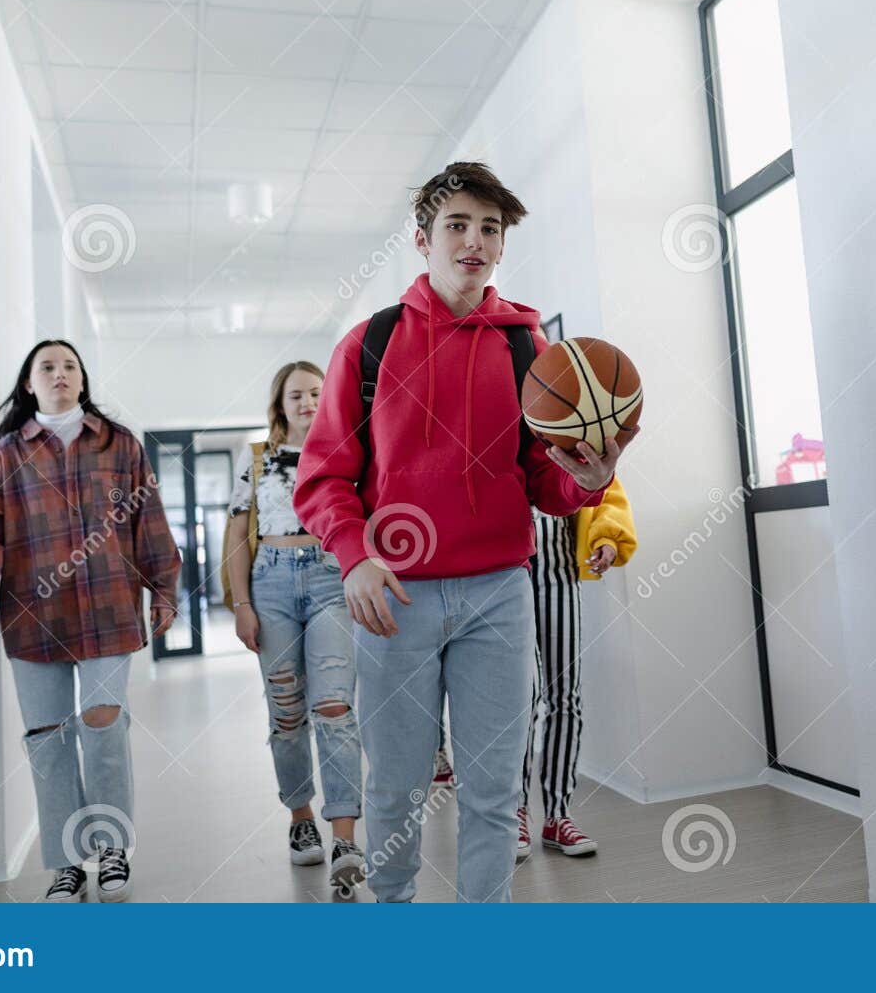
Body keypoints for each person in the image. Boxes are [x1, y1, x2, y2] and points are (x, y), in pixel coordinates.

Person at [295, 162, 630, 903]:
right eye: (457, 225)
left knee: (492, 791)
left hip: (498, 596)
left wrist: (591, 475)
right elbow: (321, 479)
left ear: (502, 245)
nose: (474, 241)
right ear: (423, 238)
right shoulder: (369, 344)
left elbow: (544, 485)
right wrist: (353, 560)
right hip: (394, 600)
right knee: (396, 790)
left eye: (490, 228)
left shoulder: (528, 350)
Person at [0, 340, 181, 903]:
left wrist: (163, 589)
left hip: (108, 606)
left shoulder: (119, 445)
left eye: (69, 366)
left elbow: (148, 520)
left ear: (82, 379)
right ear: (29, 383)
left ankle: (110, 849)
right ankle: (66, 861)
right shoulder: (4, 456)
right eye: (47, 367)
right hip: (34, 614)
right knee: (48, 739)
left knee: (103, 725)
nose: (60, 374)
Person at [224, 362, 365, 895]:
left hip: (332, 580)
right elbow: (238, 528)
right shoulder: (258, 458)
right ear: (279, 406)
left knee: (334, 706)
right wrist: (241, 602)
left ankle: (346, 837)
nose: (308, 401)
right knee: (286, 714)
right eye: (296, 395)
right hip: (272, 585)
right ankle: (300, 816)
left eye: (316, 392)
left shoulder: (350, 451)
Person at [515, 480, 636, 860]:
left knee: (565, 694)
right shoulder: (493, 425)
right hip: (506, 573)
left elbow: (605, 490)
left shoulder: (571, 427)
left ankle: (557, 815)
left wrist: (609, 540)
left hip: (561, 573)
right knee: (523, 697)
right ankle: (514, 811)